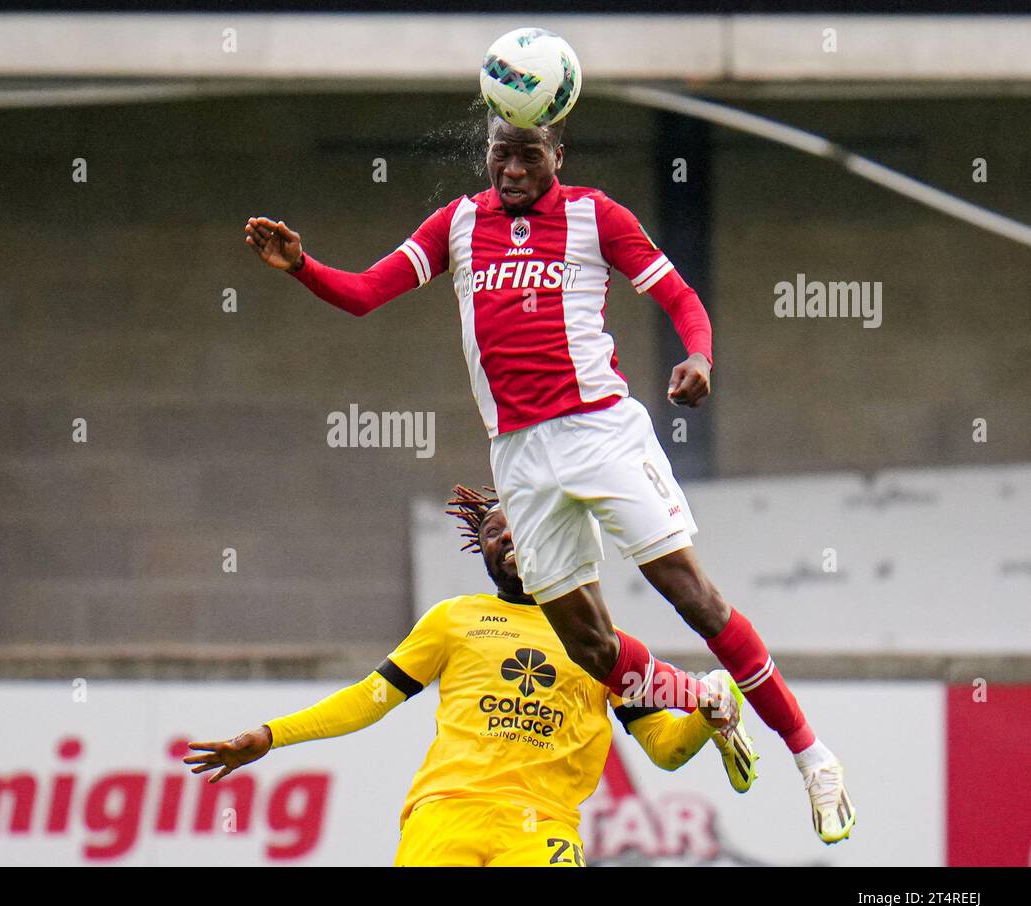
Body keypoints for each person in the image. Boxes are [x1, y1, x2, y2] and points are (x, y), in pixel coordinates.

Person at [242, 108, 853, 845]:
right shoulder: (458, 225)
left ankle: (812, 757)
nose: (513, 171)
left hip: (599, 431)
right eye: (502, 156)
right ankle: (701, 698)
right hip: (519, 456)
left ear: (556, 152)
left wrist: (699, 355)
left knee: (692, 596)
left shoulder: (598, 216)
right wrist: (304, 267)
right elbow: (368, 293)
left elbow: (681, 298)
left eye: (529, 155)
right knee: (588, 648)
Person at [185, 486, 757, 866]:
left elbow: (664, 751)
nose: (506, 538)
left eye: (520, 527)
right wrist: (270, 734)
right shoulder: (453, 620)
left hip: (542, 830)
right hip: (445, 812)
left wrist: (706, 718)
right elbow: (369, 700)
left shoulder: (601, 642)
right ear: (481, 551)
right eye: (492, 533)